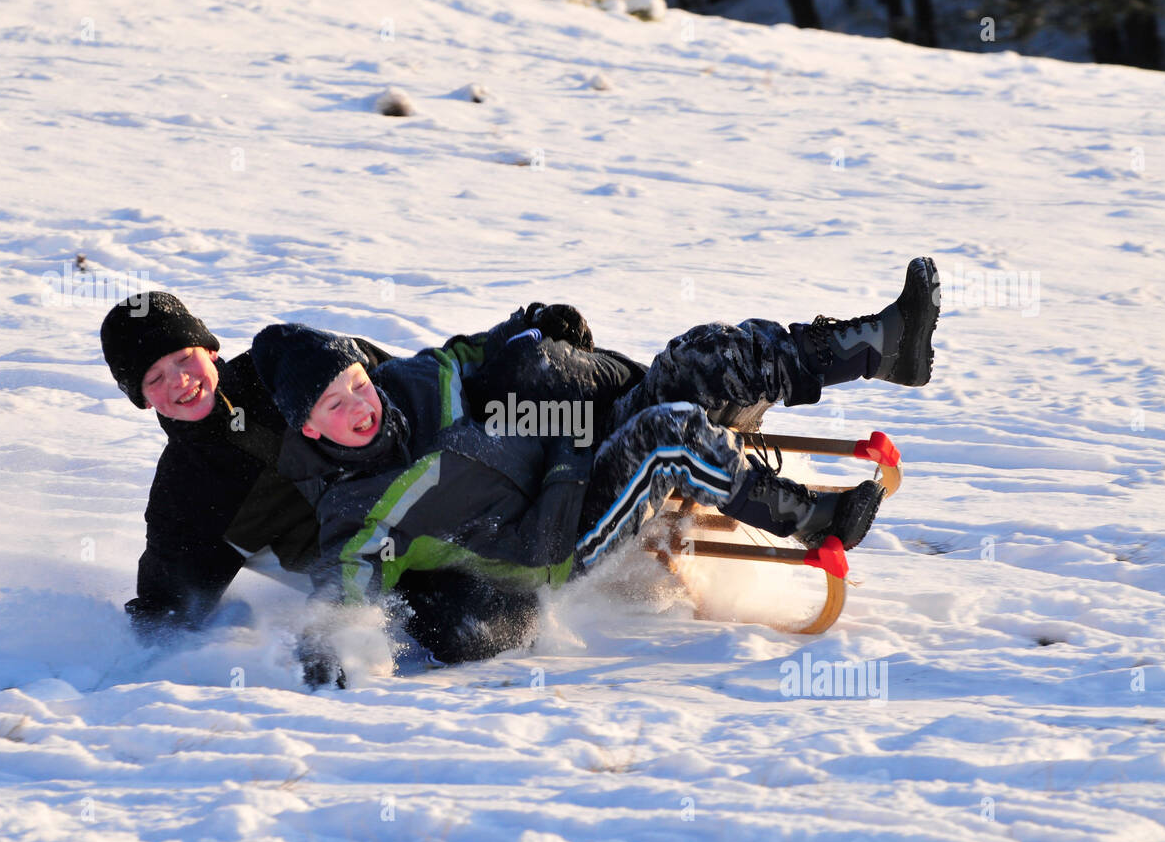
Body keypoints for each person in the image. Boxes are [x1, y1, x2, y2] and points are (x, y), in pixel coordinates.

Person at [252, 257, 941, 686]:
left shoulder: (410, 379)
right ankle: (812, 516)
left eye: (353, 385)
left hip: (579, 441)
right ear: (310, 427)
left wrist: (533, 323)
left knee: (695, 357)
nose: (357, 407)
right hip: (559, 538)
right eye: (334, 407)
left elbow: (483, 352)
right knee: (663, 434)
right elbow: (346, 583)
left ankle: (880, 346)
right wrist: (333, 647)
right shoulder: (357, 504)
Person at [98, 291, 598, 646]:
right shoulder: (185, 494)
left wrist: (522, 333)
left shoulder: (291, 366)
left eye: (184, 357)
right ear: (141, 400)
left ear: (209, 348)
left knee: (550, 394)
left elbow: (419, 377)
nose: (180, 381)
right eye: (155, 378)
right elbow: (165, 610)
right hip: (408, 567)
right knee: (469, 629)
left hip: (474, 476)